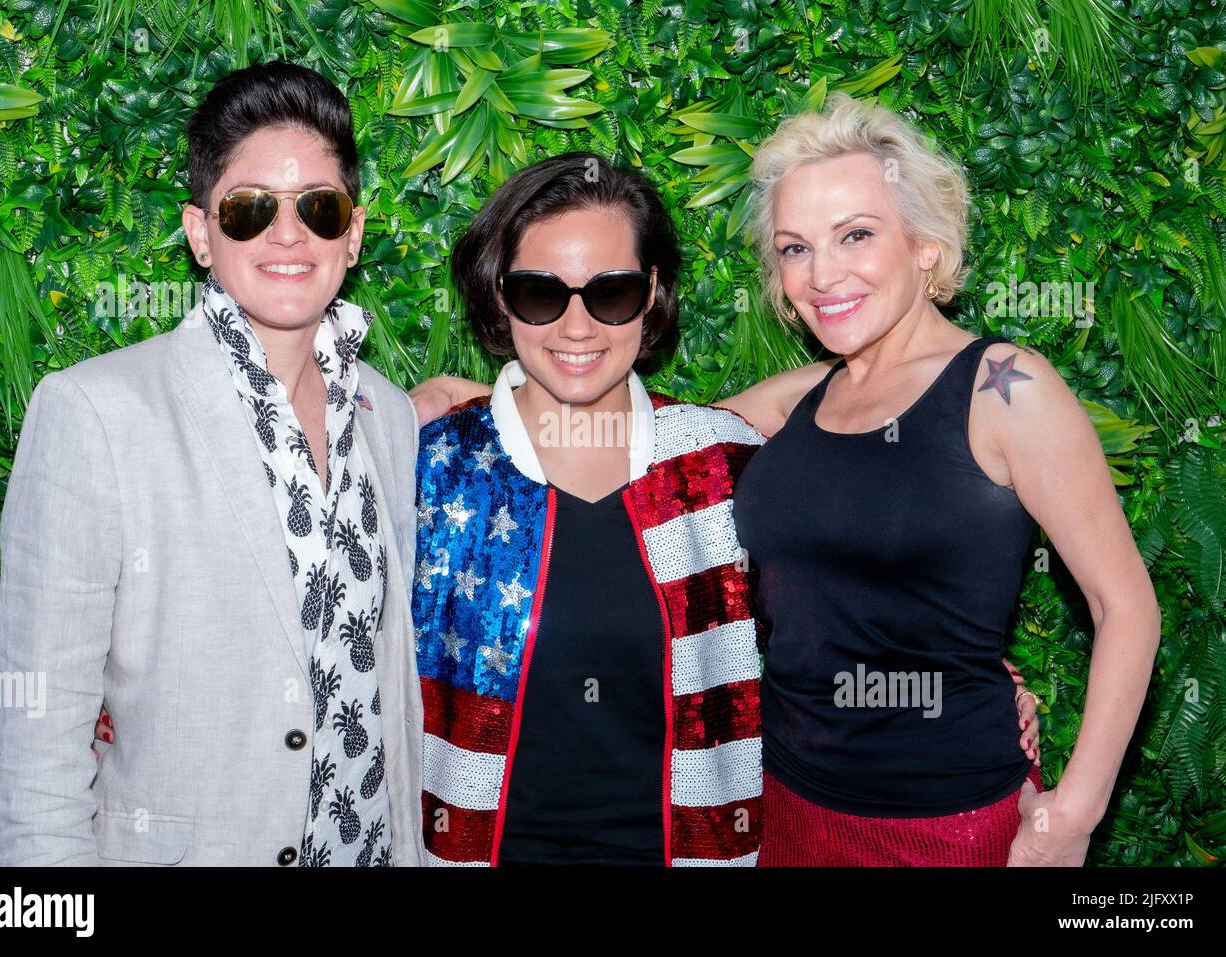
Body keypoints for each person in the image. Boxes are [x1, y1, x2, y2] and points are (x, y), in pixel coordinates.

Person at [406, 151, 1040, 866]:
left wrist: (969, 680)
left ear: (651, 294)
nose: (576, 325)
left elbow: (872, 413)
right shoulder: (425, 466)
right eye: (539, 293)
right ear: (499, 295)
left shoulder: (715, 463)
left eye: (609, 292)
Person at [0, 61, 425, 866]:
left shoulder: (388, 416)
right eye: (251, 208)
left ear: (353, 233)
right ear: (200, 232)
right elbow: (40, 753)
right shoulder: (96, 412)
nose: (288, 234)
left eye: (319, 208)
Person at [718, 92, 1160, 865]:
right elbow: (635, 435)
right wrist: (481, 398)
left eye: (855, 234)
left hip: (944, 827)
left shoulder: (1004, 387)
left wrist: (1072, 817)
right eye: (794, 248)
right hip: (784, 805)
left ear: (925, 245)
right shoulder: (798, 398)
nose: (822, 274)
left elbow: (1124, 604)